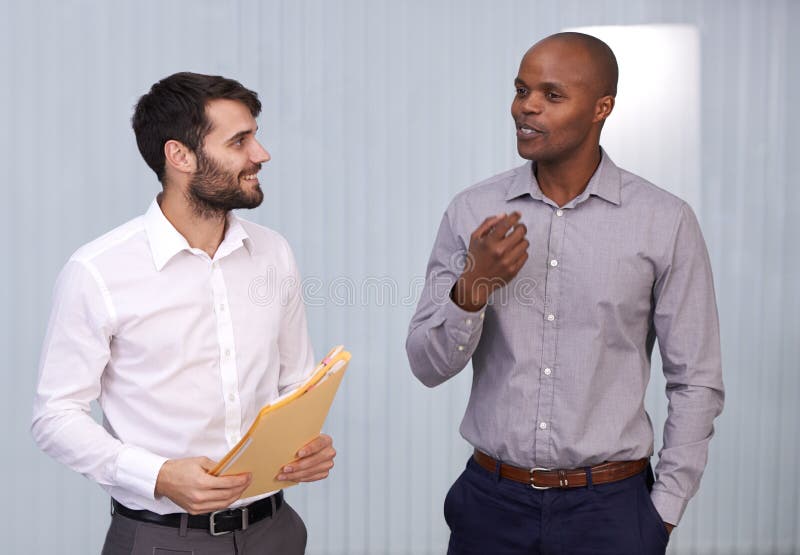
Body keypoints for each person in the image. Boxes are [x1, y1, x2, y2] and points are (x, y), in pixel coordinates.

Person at [406, 32, 723, 554]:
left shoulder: (665, 222)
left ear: (603, 107)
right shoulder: (471, 212)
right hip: (490, 506)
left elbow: (697, 380)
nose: (526, 106)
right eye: (521, 89)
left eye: (552, 95)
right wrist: (472, 289)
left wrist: (662, 511)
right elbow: (426, 365)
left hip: (612, 511)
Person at [31, 72, 336, 554]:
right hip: (163, 540)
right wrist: (159, 475)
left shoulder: (273, 253)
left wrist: (308, 444)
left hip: (276, 532)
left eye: (254, 135)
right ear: (180, 156)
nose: (262, 153)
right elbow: (54, 416)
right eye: (240, 140)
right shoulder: (97, 271)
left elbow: (296, 383)